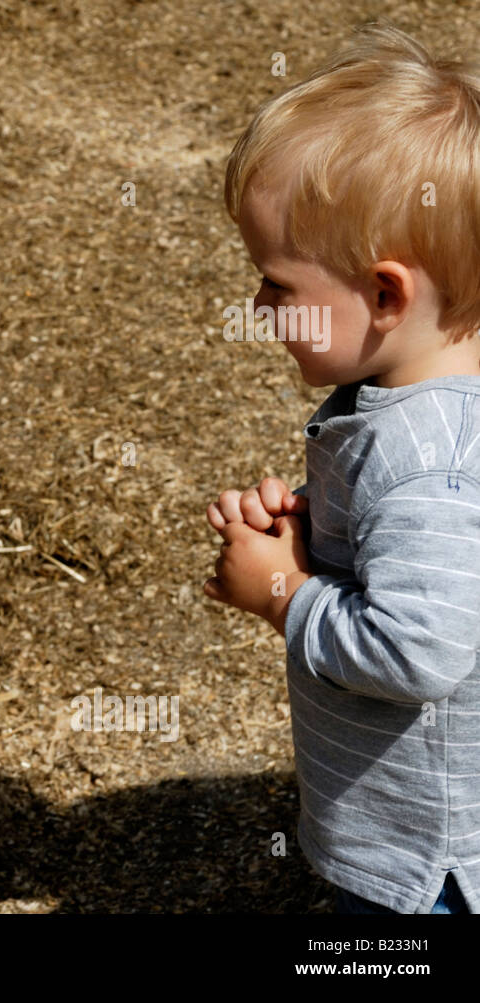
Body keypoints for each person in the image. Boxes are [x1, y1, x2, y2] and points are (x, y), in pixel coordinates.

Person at [204, 21, 480, 913]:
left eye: (278, 285)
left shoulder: (426, 465)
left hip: (426, 865)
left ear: (388, 293)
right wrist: (318, 546)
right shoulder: (421, 406)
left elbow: (416, 652)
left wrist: (283, 591)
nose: (256, 306)